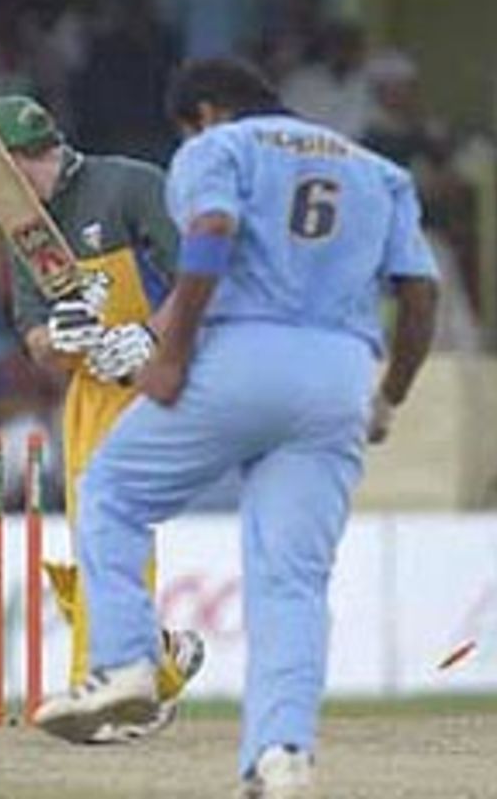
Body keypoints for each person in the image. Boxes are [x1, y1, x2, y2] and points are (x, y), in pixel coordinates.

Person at [32, 59, 438, 798]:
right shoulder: (379, 172)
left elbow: (212, 231)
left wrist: (169, 351)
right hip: (340, 378)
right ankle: (281, 755)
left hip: (242, 358)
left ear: (206, 112)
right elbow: (420, 297)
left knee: (112, 489)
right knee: (292, 580)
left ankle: (125, 664)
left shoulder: (218, 148)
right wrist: (389, 398)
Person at [0, 95, 205, 741]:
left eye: (0, 170)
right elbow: (36, 341)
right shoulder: (24, 227)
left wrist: (148, 337)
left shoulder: (127, 185)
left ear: (26, 157)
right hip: (94, 393)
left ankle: (119, 682)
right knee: (94, 533)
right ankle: (149, 667)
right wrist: (63, 336)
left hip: (167, 371)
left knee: (116, 518)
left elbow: (201, 276)